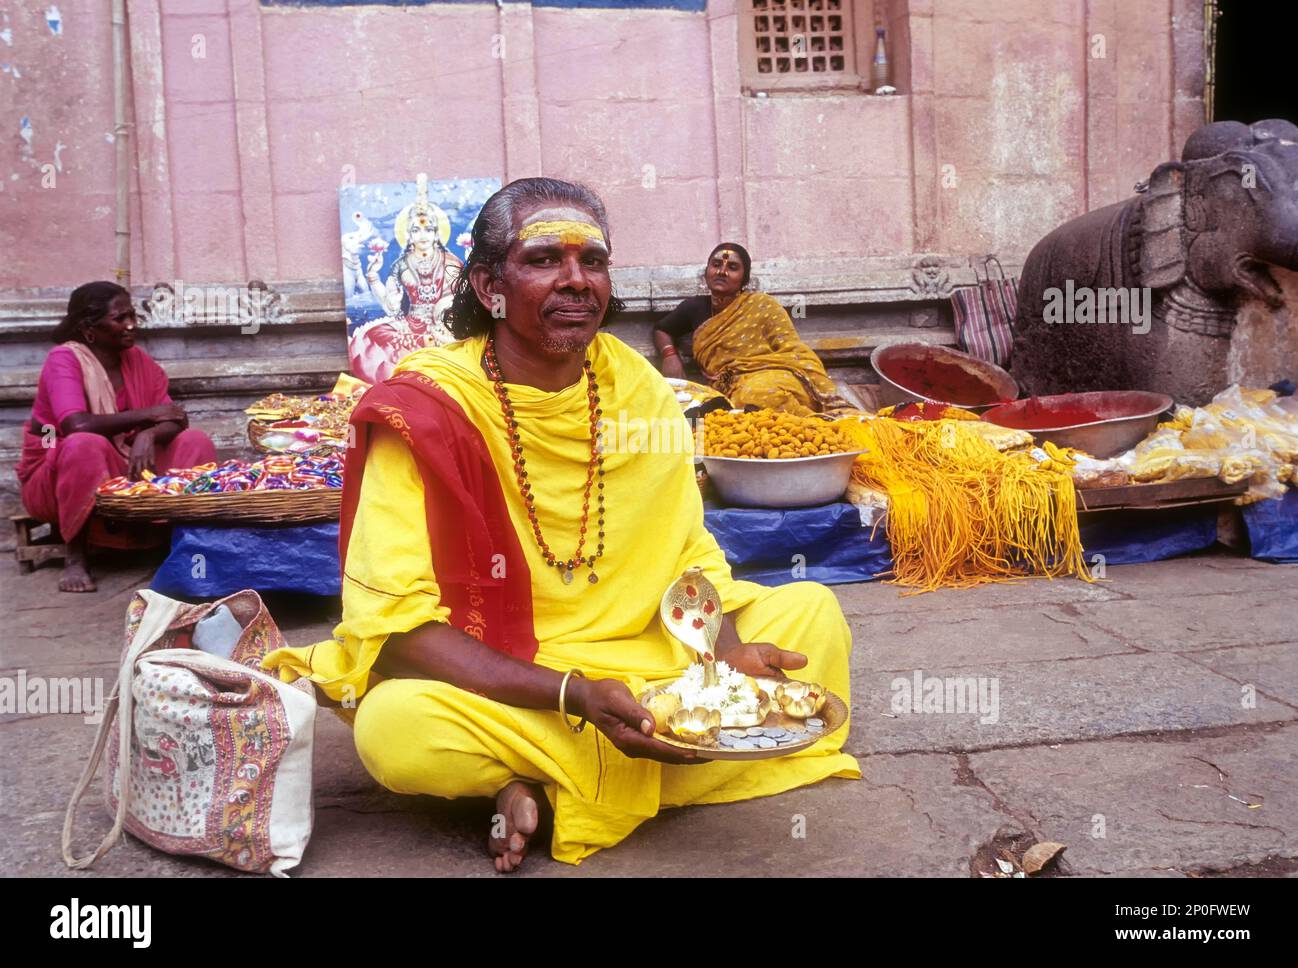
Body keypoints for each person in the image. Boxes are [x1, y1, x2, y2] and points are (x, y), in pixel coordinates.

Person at [263, 179, 859, 872]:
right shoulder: (428, 406)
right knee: (395, 728)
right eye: (545, 259)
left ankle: (548, 787)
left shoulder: (637, 387)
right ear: (489, 285)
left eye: (593, 262)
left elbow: (687, 554)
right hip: (511, 668)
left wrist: (723, 655)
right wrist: (573, 694)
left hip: (649, 653)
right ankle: (647, 760)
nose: (576, 281)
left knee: (812, 613)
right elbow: (395, 633)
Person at [16, 281, 216, 592]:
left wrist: (148, 434)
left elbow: (176, 418)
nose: (131, 325)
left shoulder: (137, 359)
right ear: (88, 327)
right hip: (56, 473)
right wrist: (149, 417)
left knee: (196, 441)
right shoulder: (63, 361)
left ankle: (182, 543)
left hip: (127, 462)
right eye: (120, 318)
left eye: (132, 315)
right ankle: (76, 556)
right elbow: (76, 426)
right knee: (84, 445)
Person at [653, 242, 847, 415]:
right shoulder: (693, 308)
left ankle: (817, 426)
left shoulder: (762, 305)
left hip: (772, 375)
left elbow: (793, 351)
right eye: (716, 264)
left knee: (760, 395)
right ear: (707, 272)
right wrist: (670, 355)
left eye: (733, 267)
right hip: (728, 384)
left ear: (744, 279)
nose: (722, 271)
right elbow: (662, 329)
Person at [348, 173, 464, 383]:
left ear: (436, 233)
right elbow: (391, 308)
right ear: (409, 234)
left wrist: (446, 315)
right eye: (416, 230)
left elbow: (464, 301)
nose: (423, 235)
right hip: (411, 325)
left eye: (428, 229)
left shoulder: (451, 262)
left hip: (446, 325)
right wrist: (373, 276)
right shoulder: (401, 264)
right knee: (374, 335)